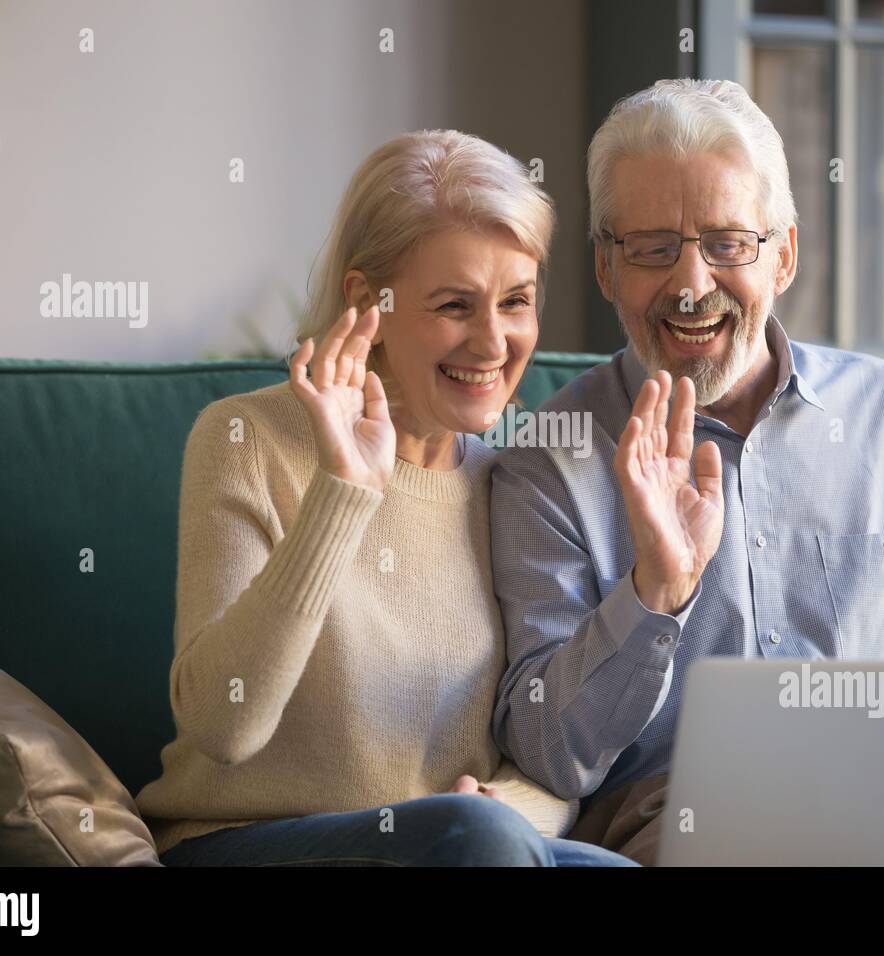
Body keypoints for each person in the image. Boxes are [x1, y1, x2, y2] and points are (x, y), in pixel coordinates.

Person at [490, 79, 884, 867]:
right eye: (654, 247)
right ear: (605, 269)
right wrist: (655, 594)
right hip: (680, 810)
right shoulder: (545, 463)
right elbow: (545, 747)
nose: (691, 286)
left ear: (783, 254)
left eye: (727, 243)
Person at [135, 129, 635, 867]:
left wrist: (508, 806)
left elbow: (549, 746)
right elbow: (223, 725)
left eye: (516, 301)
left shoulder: (513, 484)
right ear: (368, 301)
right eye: (455, 306)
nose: (495, 343)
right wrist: (343, 493)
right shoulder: (245, 439)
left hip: (457, 848)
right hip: (244, 846)